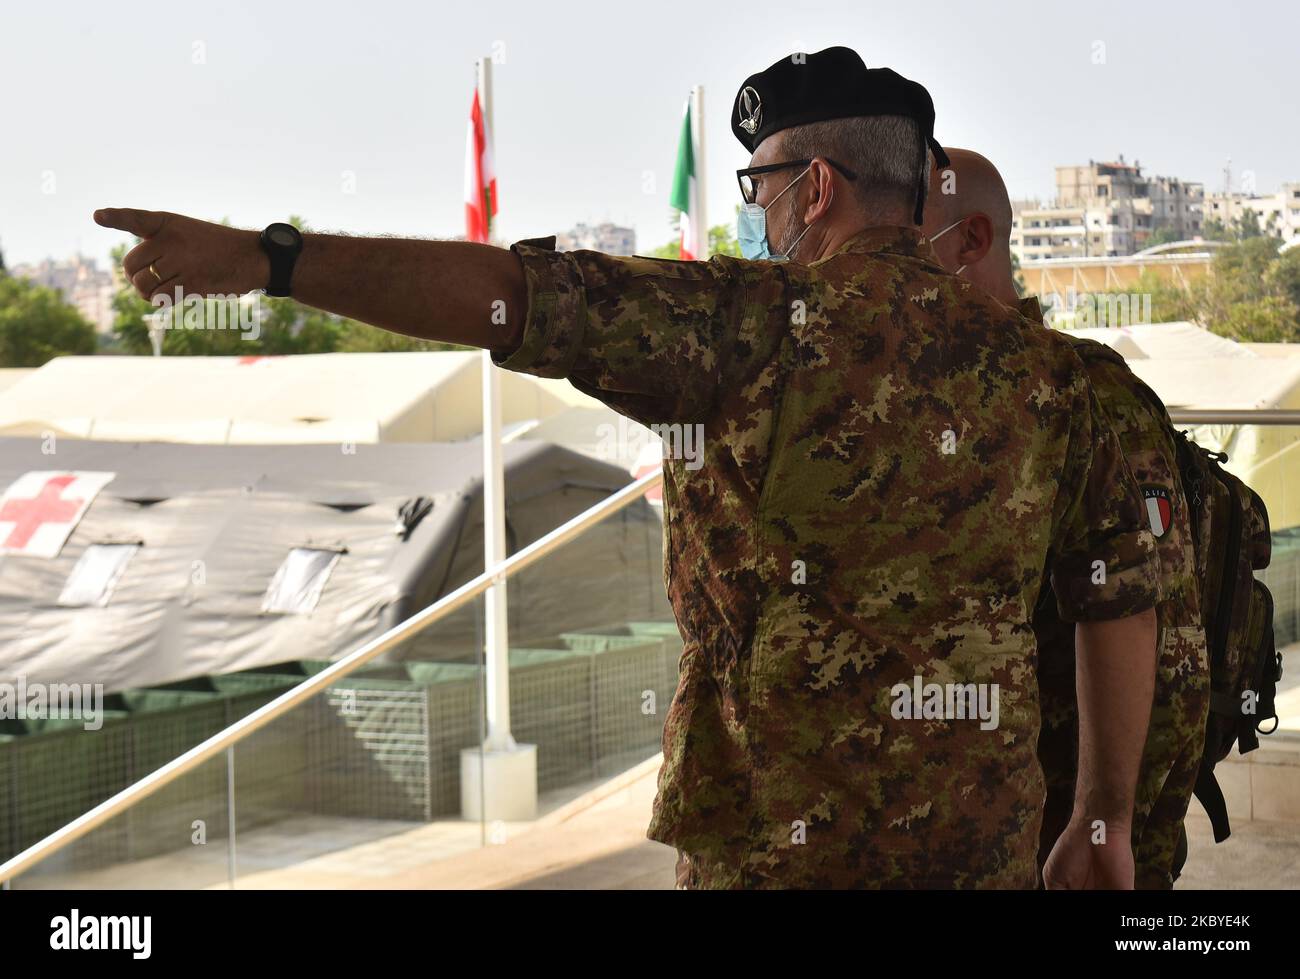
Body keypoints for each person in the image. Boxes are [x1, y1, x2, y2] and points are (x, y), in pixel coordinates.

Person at [94, 46, 1160, 889]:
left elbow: (504, 297)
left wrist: (271, 261)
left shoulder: (744, 325)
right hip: (982, 838)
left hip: (772, 847)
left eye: (763, 185)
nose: (759, 209)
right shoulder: (1068, 379)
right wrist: (1099, 817)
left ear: (817, 187)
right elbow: (1116, 602)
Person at [921, 147, 1210, 889]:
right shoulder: (932, 399)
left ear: (970, 242)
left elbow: (1168, 639)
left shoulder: (1088, 395)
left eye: (903, 243)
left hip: (1066, 833)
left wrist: (1109, 824)